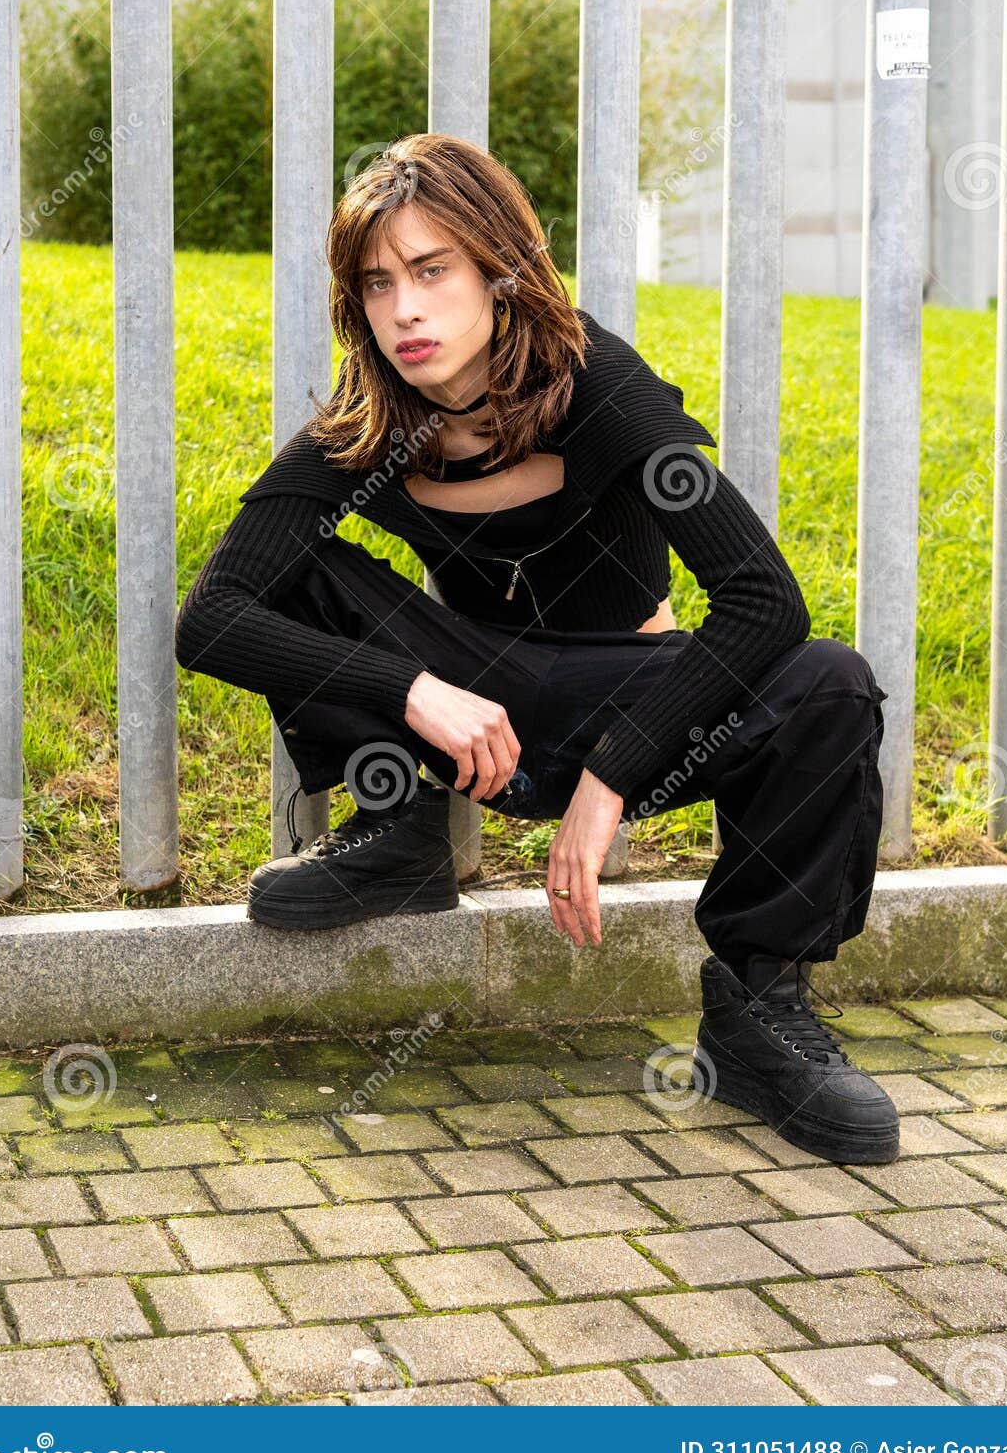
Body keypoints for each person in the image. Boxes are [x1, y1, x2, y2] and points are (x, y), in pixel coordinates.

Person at [174, 132, 897, 1164]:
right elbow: (211, 619)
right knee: (287, 572)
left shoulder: (598, 386)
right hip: (475, 709)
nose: (405, 310)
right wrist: (411, 689)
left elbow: (761, 600)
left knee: (830, 681)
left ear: (499, 271)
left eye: (432, 272)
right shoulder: (370, 417)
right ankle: (402, 832)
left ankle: (758, 1012)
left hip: (630, 702)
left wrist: (611, 777)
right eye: (377, 283)